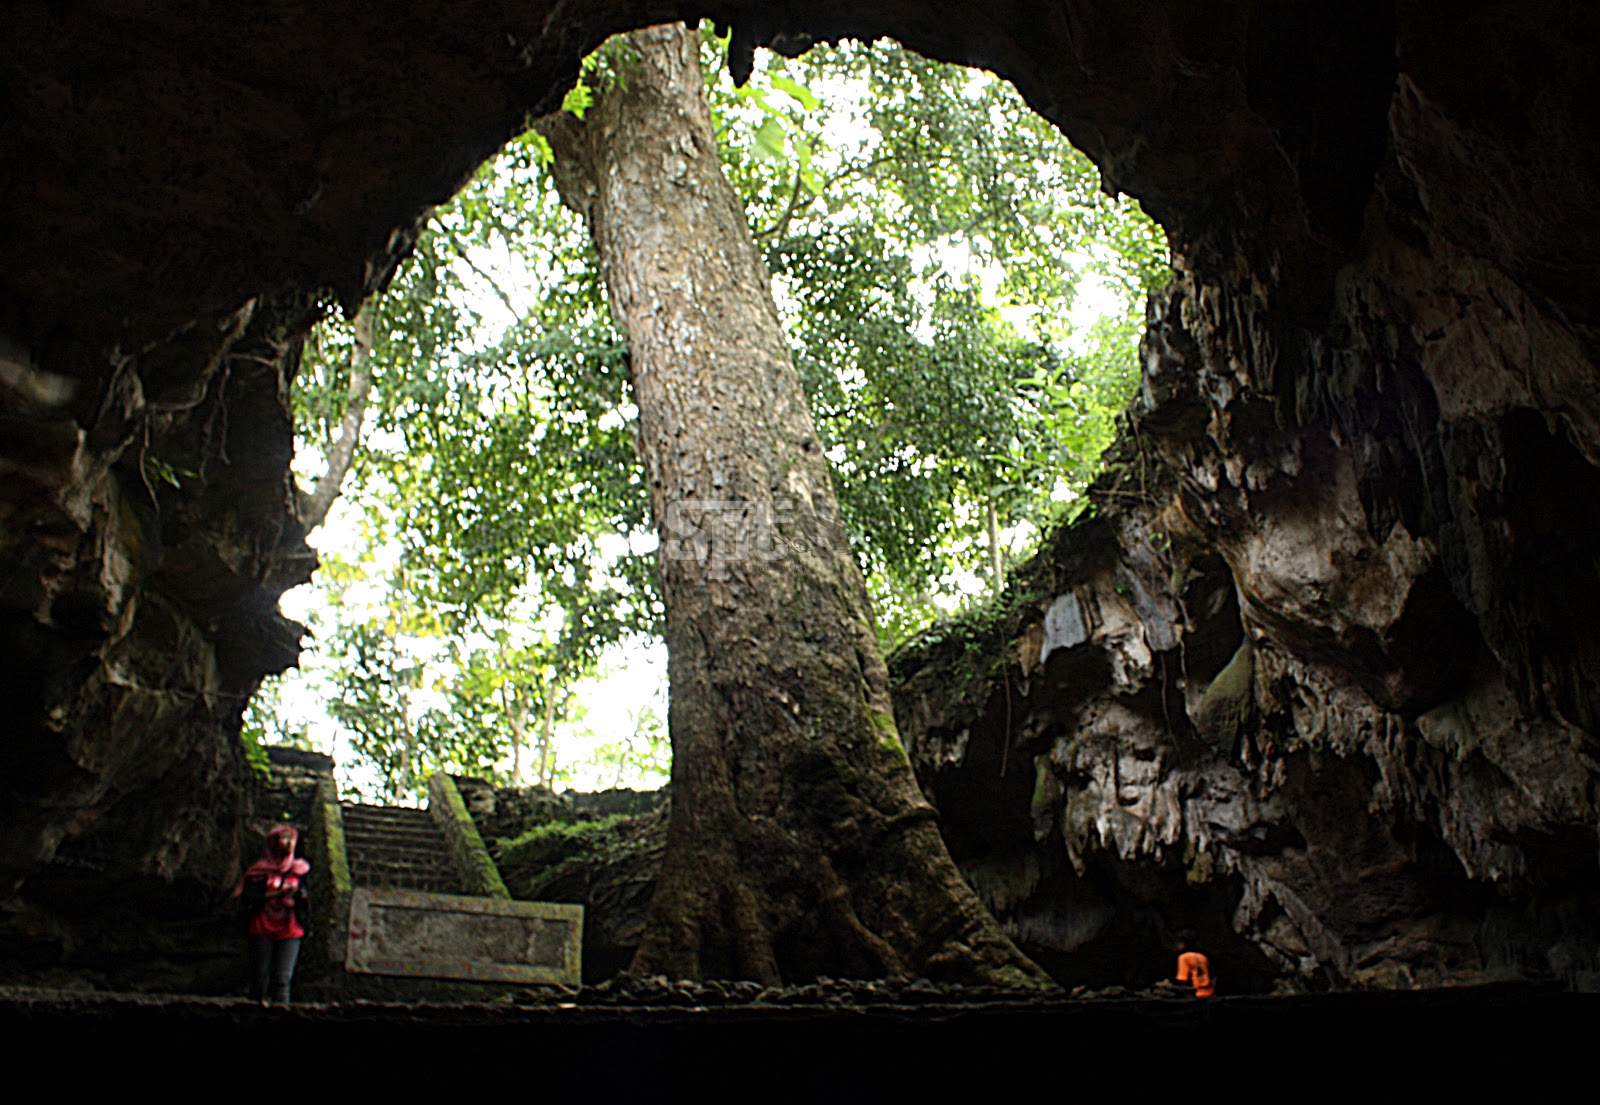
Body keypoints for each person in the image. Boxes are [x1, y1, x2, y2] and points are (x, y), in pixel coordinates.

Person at [234, 823, 310, 1006]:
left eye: (291, 839)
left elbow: (307, 898)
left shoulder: (300, 870)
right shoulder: (259, 871)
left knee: (283, 979)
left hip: (289, 928)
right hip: (262, 926)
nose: (288, 843)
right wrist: (276, 894)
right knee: (260, 979)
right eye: (283, 838)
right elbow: (249, 897)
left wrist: (298, 894)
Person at [1174, 929, 1214, 998]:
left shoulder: (1183, 957)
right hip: (1208, 993)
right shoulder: (1203, 956)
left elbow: (1182, 980)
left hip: (1195, 994)